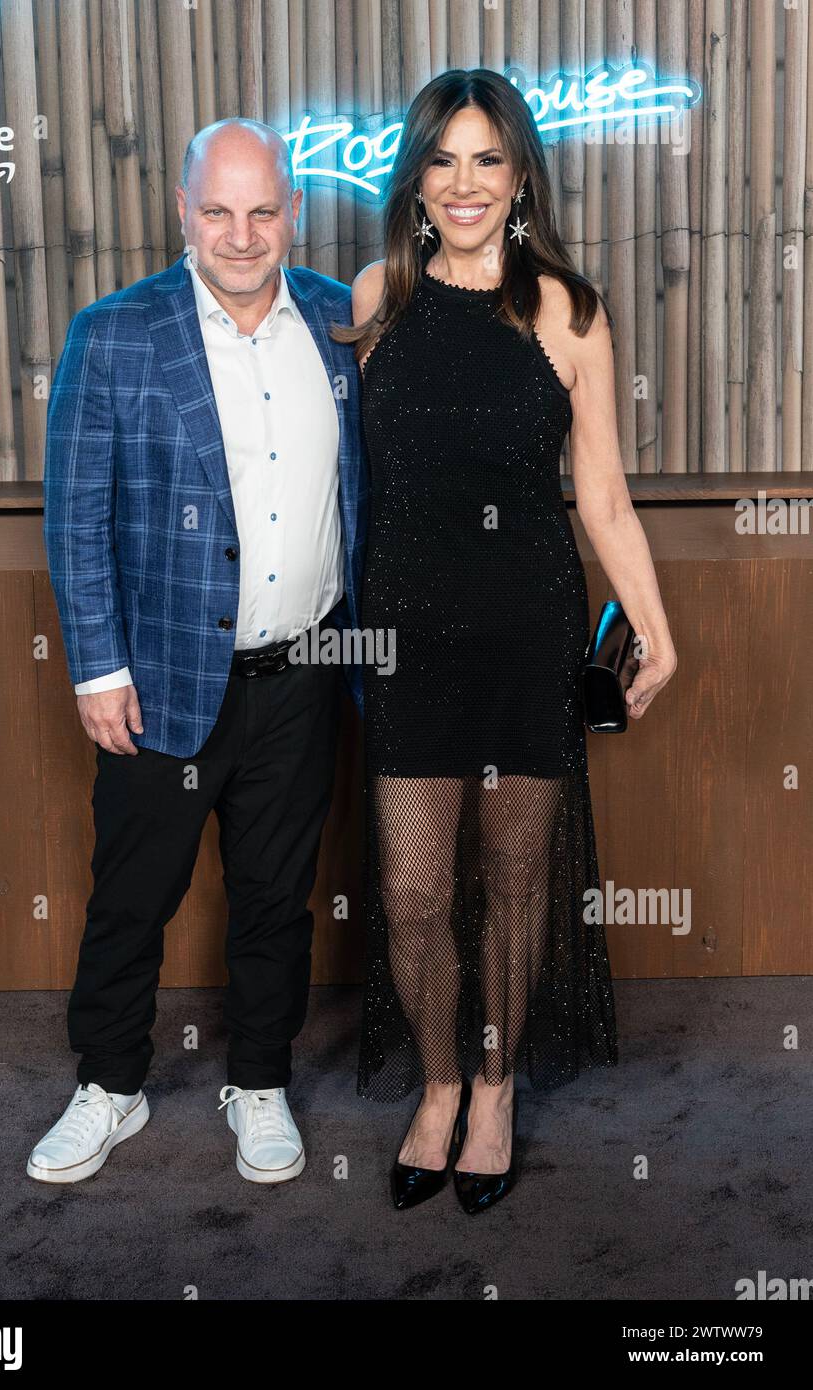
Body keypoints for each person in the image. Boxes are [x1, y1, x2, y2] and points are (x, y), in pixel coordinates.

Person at [339, 69, 677, 1213]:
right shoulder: (372, 298)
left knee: (518, 880)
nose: (466, 183)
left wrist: (656, 630)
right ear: (416, 179)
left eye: (488, 159)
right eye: (444, 159)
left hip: (527, 628)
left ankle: (491, 1088)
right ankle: (435, 1080)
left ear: (521, 174)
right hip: (406, 636)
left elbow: (606, 498)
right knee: (416, 892)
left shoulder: (570, 310)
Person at [33, 118, 367, 1185]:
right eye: (217, 210)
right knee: (133, 895)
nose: (240, 233)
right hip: (160, 679)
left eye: (262, 210)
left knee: (276, 896)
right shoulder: (117, 332)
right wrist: (96, 667)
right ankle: (111, 1084)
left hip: (304, 673)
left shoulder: (338, 321)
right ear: (182, 210)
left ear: (292, 214)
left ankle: (259, 1079)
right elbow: (77, 514)